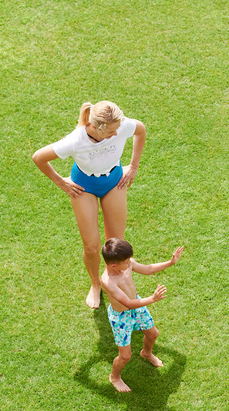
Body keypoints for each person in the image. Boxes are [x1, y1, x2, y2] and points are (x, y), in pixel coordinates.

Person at [32, 101, 148, 309]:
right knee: (92, 246)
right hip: (83, 186)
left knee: (116, 243)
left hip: (114, 181)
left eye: (117, 130)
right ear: (96, 127)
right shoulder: (76, 140)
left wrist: (134, 166)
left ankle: (111, 279)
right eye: (111, 132)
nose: (116, 134)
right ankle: (96, 284)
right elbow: (39, 157)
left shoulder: (120, 126)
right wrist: (61, 182)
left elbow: (140, 130)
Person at [100, 238, 183, 393]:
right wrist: (152, 299)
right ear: (113, 265)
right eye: (126, 262)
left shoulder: (126, 263)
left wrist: (170, 262)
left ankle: (146, 353)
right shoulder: (108, 281)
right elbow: (127, 303)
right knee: (125, 356)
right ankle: (115, 377)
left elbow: (148, 269)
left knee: (153, 334)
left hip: (137, 306)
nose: (129, 263)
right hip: (121, 317)